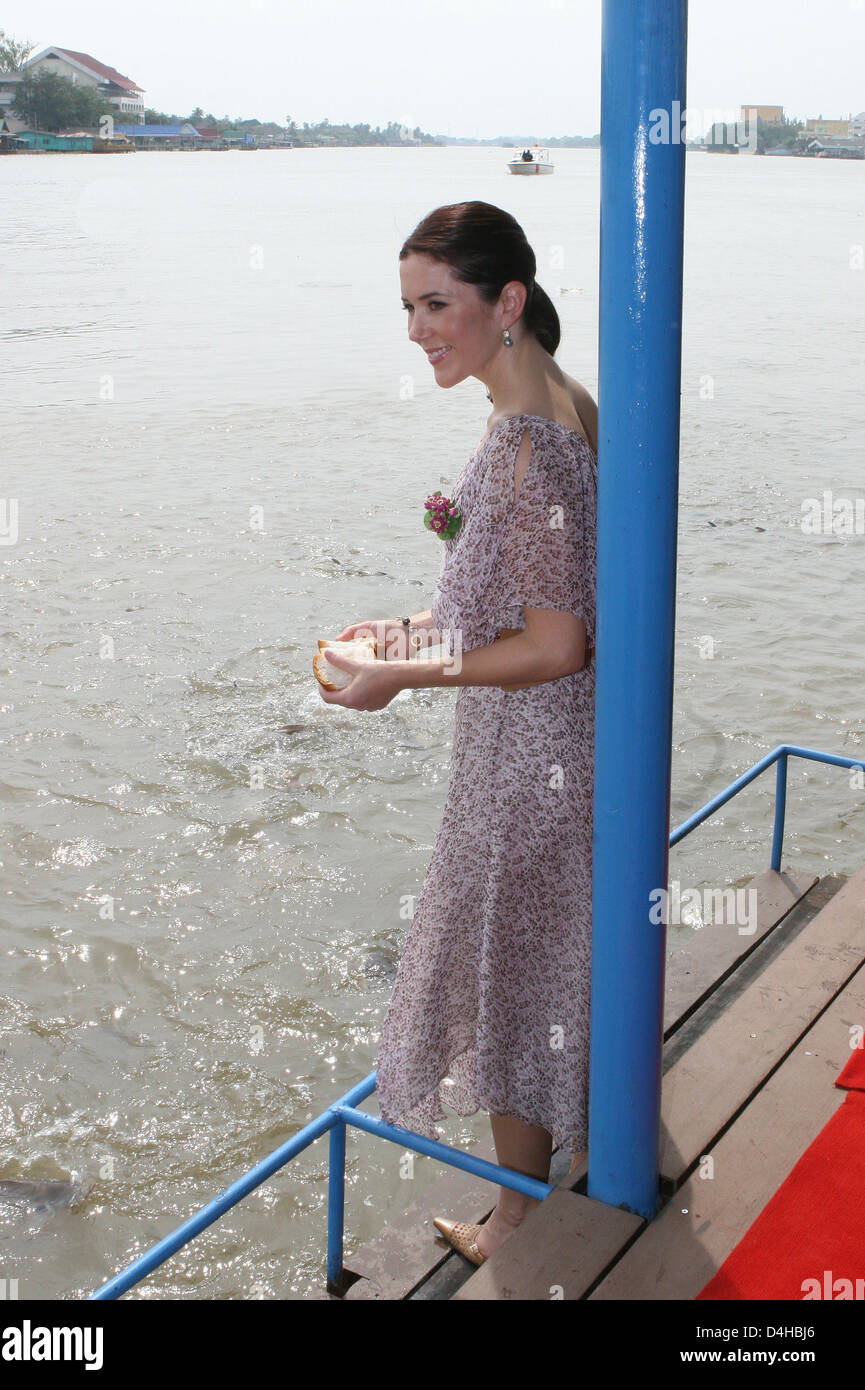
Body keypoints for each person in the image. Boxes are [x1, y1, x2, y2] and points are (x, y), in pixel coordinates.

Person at [319, 200, 597, 1266]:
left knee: (509, 974)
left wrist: (405, 674)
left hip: (528, 760)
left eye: (437, 303)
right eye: (407, 306)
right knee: (531, 967)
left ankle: (517, 1224)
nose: (417, 329)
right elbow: (521, 601)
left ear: (507, 300)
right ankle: (527, 1195)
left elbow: (556, 642)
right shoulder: (559, 405)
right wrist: (406, 631)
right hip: (545, 751)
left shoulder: (531, 445)